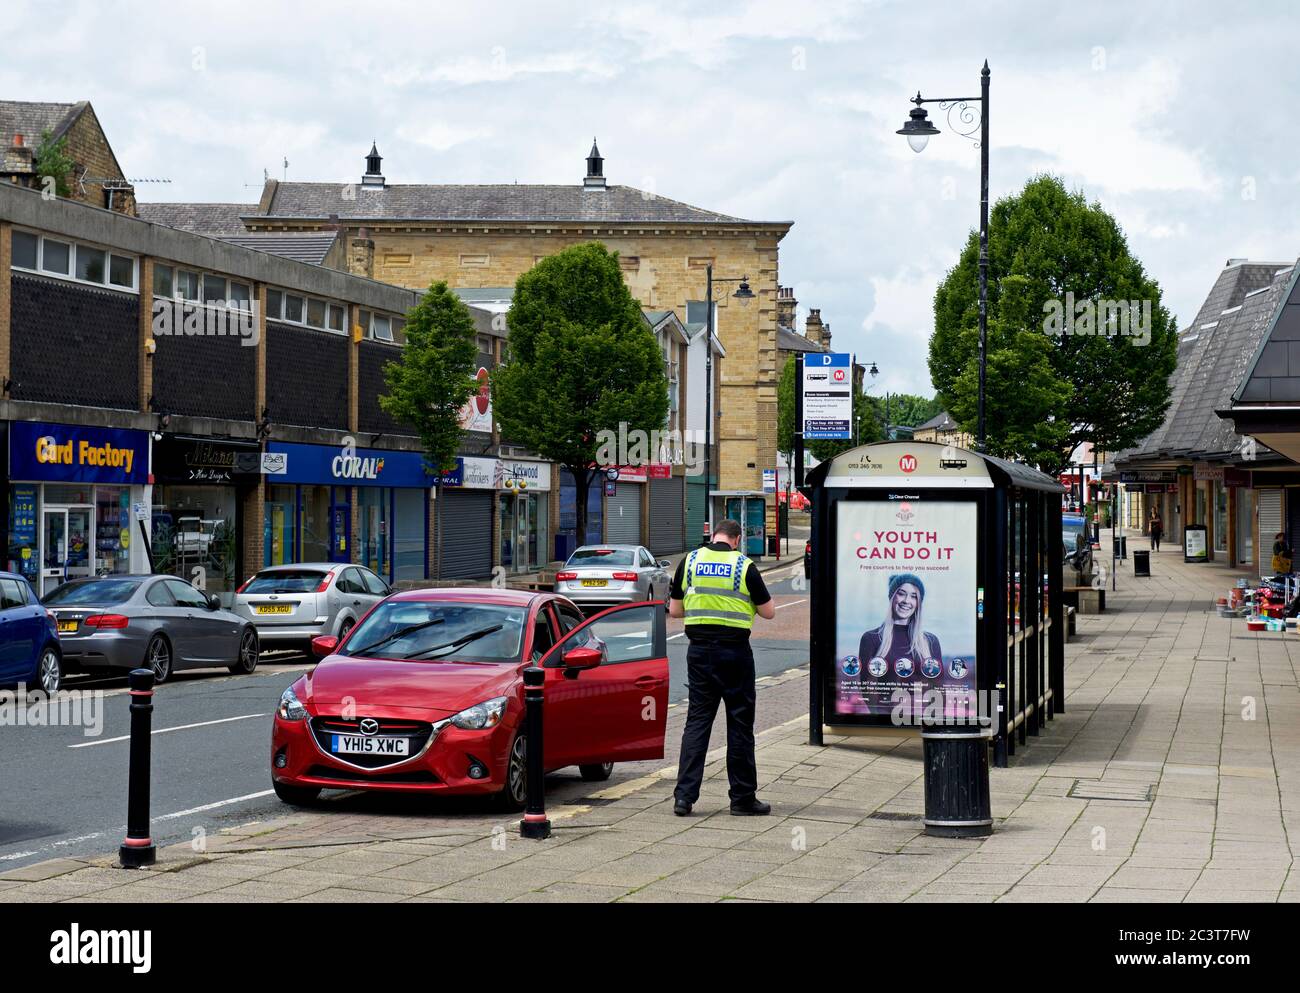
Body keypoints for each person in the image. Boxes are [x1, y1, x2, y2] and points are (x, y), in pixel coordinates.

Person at [669, 519, 776, 817]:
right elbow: (768, 613)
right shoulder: (744, 566)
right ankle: (742, 799)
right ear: (737, 539)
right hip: (735, 654)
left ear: (713, 534)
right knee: (740, 726)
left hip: (699, 653)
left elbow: (675, 610)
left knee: (697, 723)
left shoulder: (689, 562)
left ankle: (684, 798)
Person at [858, 573, 942, 675]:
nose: (906, 601)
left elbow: (937, 688)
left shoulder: (931, 641)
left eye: (914, 596)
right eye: (901, 594)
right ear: (892, 597)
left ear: (918, 603)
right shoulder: (871, 639)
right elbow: (867, 687)